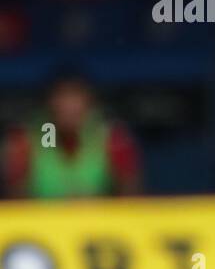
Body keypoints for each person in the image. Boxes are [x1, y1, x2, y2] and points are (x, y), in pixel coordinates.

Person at [3, 74, 142, 199]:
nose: (68, 107)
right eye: (62, 98)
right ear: (49, 103)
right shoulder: (27, 139)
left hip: (98, 223)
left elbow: (131, 197)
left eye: (75, 99)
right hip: (41, 223)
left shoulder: (112, 138)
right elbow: (14, 200)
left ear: (90, 103)